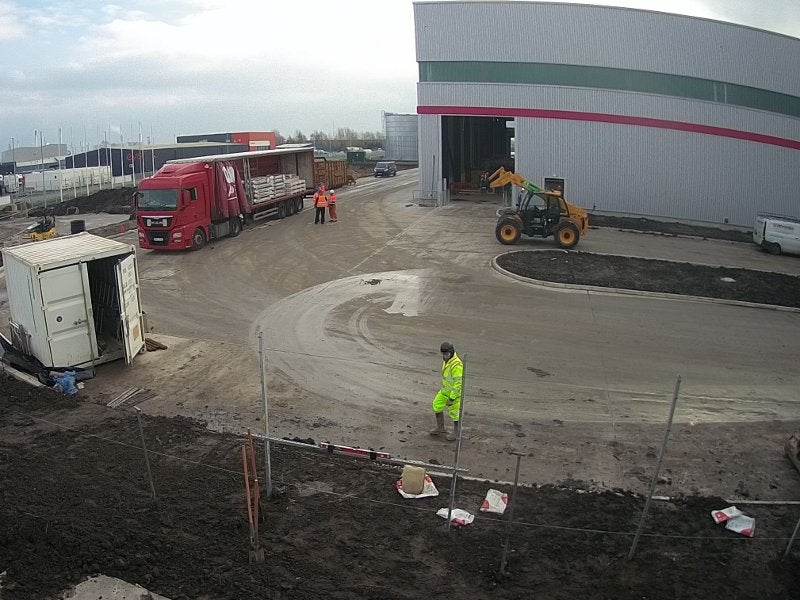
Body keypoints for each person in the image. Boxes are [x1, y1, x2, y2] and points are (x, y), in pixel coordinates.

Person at [429, 341, 463, 441]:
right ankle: (440, 428)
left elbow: (458, 383)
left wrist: (452, 398)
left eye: (446, 354)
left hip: (454, 394)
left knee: (455, 413)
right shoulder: (446, 360)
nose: (445, 356)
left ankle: (456, 432)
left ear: (451, 352)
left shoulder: (457, 364)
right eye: (443, 354)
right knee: (436, 405)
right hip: (444, 391)